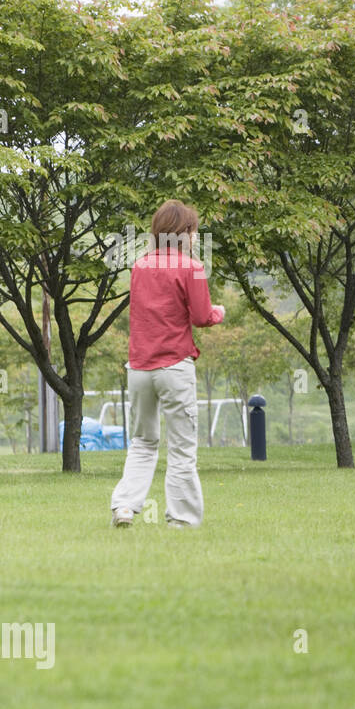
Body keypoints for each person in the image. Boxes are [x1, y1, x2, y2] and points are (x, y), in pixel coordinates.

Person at [110, 200, 225, 528]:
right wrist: (219, 312)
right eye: (194, 230)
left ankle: (124, 507)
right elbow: (202, 317)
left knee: (143, 443)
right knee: (182, 449)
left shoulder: (140, 267)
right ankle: (182, 520)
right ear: (185, 233)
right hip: (174, 367)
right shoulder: (192, 267)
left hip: (139, 369)